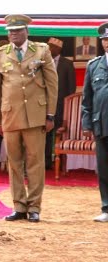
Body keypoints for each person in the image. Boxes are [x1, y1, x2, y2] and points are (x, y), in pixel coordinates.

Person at [0, 15, 58, 222]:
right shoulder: (0, 53)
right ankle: (19, 205)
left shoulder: (41, 50)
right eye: (10, 31)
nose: (14, 34)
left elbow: (52, 84)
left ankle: (34, 207)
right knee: (14, 163)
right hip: (10, 115)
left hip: (35, 116)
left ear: (26, 31)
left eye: (18, 30)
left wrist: (50, 115)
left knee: (35, 162)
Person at [84, 22, 108, 222]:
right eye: (105, 40)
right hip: (101, 124)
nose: (107, 43)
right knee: (104, 167)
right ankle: (106, 208)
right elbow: (87, 98)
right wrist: (86, 124)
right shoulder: (94, 66)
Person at [47, 38, 77, 170]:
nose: (48, 49)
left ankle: (62, 165)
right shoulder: (44, 62)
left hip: (61, 107)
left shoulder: (67, 64)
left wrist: (67, 108)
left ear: (58, 49)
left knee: (61, 134)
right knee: (46, 135)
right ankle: (47, 162)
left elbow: (71, 88)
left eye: (51, 47)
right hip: (45, 107)